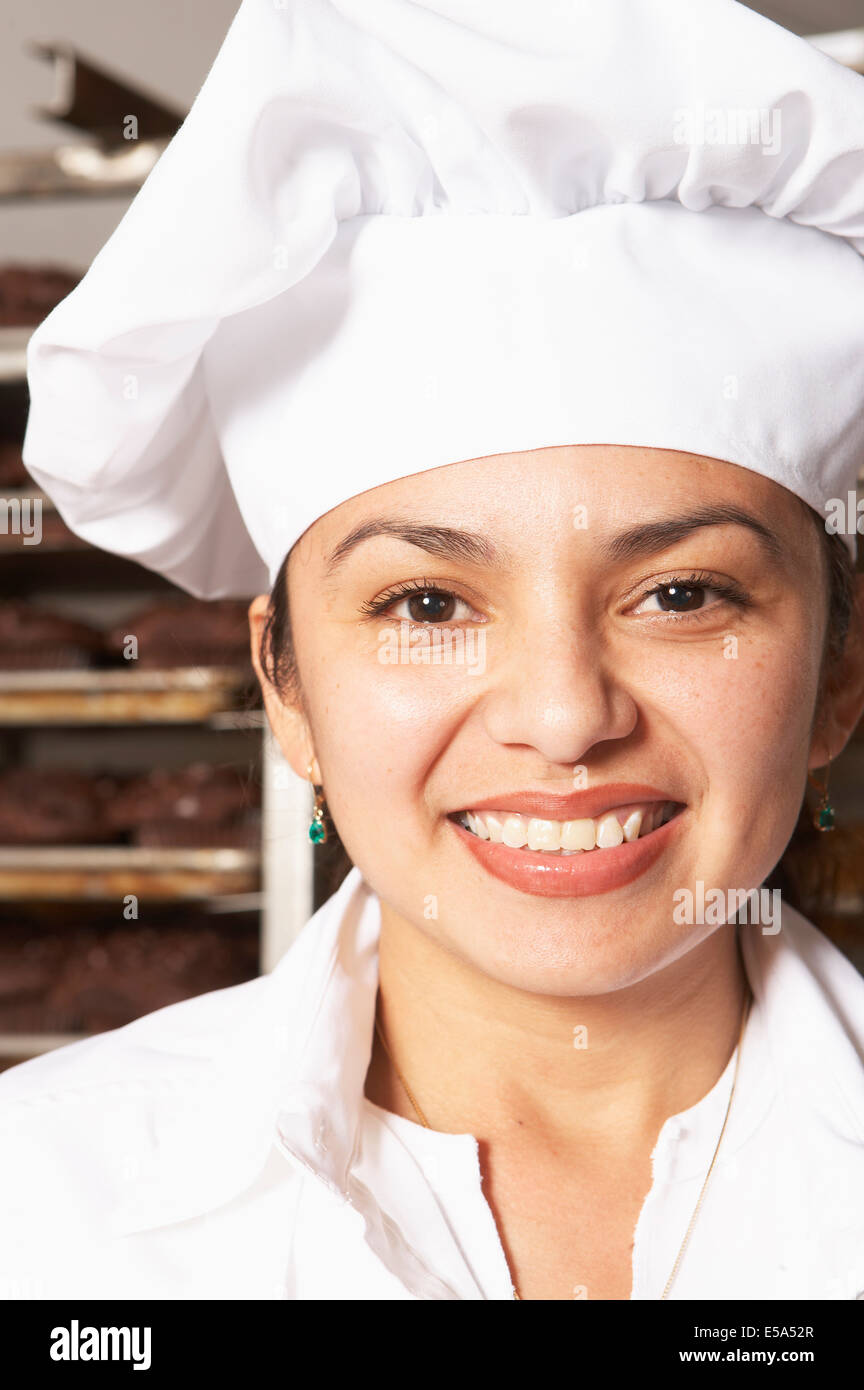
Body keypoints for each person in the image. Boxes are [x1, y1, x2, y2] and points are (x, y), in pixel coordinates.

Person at [2, 0, 864, 1301]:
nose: (565, 714)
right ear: (282, 685)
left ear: (838, 673)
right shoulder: (45, 1205)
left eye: (682, 591)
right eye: (425, 604)